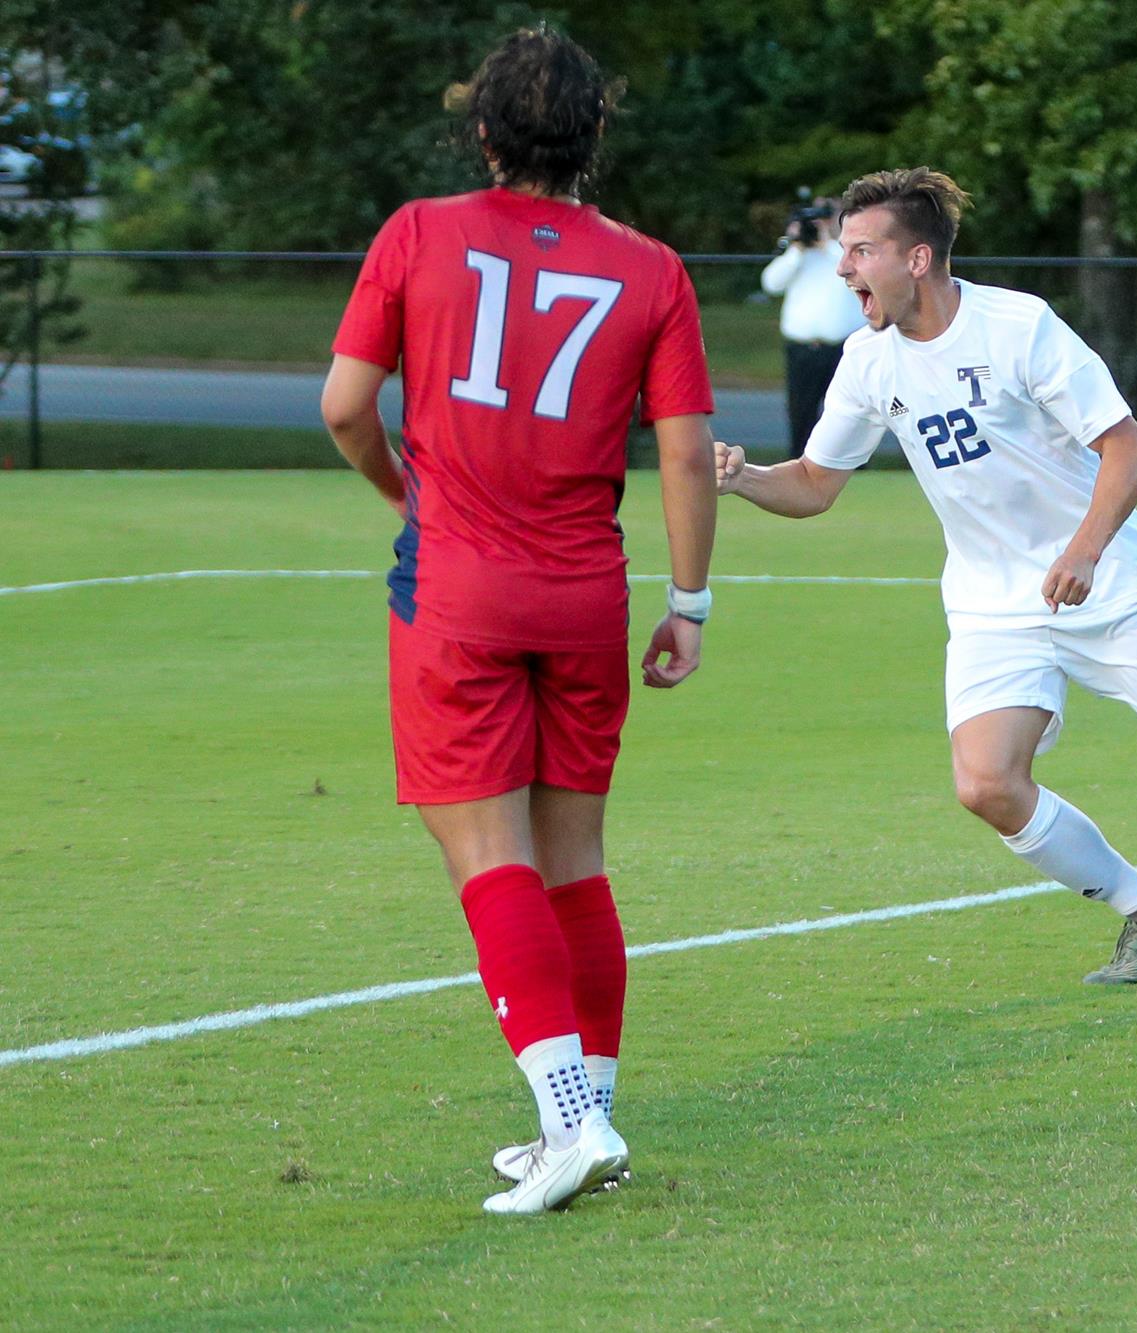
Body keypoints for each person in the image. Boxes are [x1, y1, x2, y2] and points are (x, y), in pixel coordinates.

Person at [716, 166, 1137, 984]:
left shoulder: (1018, 327)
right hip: (993, 604)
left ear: (917, 259)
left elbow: (1128, 448)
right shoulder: (868, 361)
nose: (842, 268)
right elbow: (814, 483)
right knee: (986, 783)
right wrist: (744, 477)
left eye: (861, 250)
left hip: (1110, 583)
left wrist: (1083, 550)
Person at [319, 26, 718, 1212]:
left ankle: (572, 1121)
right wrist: (688, 602)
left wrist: (403, 489)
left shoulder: (418, 233)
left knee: (489, 858)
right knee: (574, 860)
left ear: (482, 129)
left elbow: (344, 407)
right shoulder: (653, 269)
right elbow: (685, 452)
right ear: (596, 132)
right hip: (586, 592)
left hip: (460, 591)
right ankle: (581, 1119)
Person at [761, 194, 867, 457]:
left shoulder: (846, 255)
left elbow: (859, 273)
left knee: (849, 415)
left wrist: (826, 243)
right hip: (802, 349)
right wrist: (797, 248)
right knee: (801, 412)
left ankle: (853, 466)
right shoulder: (797, 256)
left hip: (844, 349)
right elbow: (771, 284)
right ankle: (799, 464)